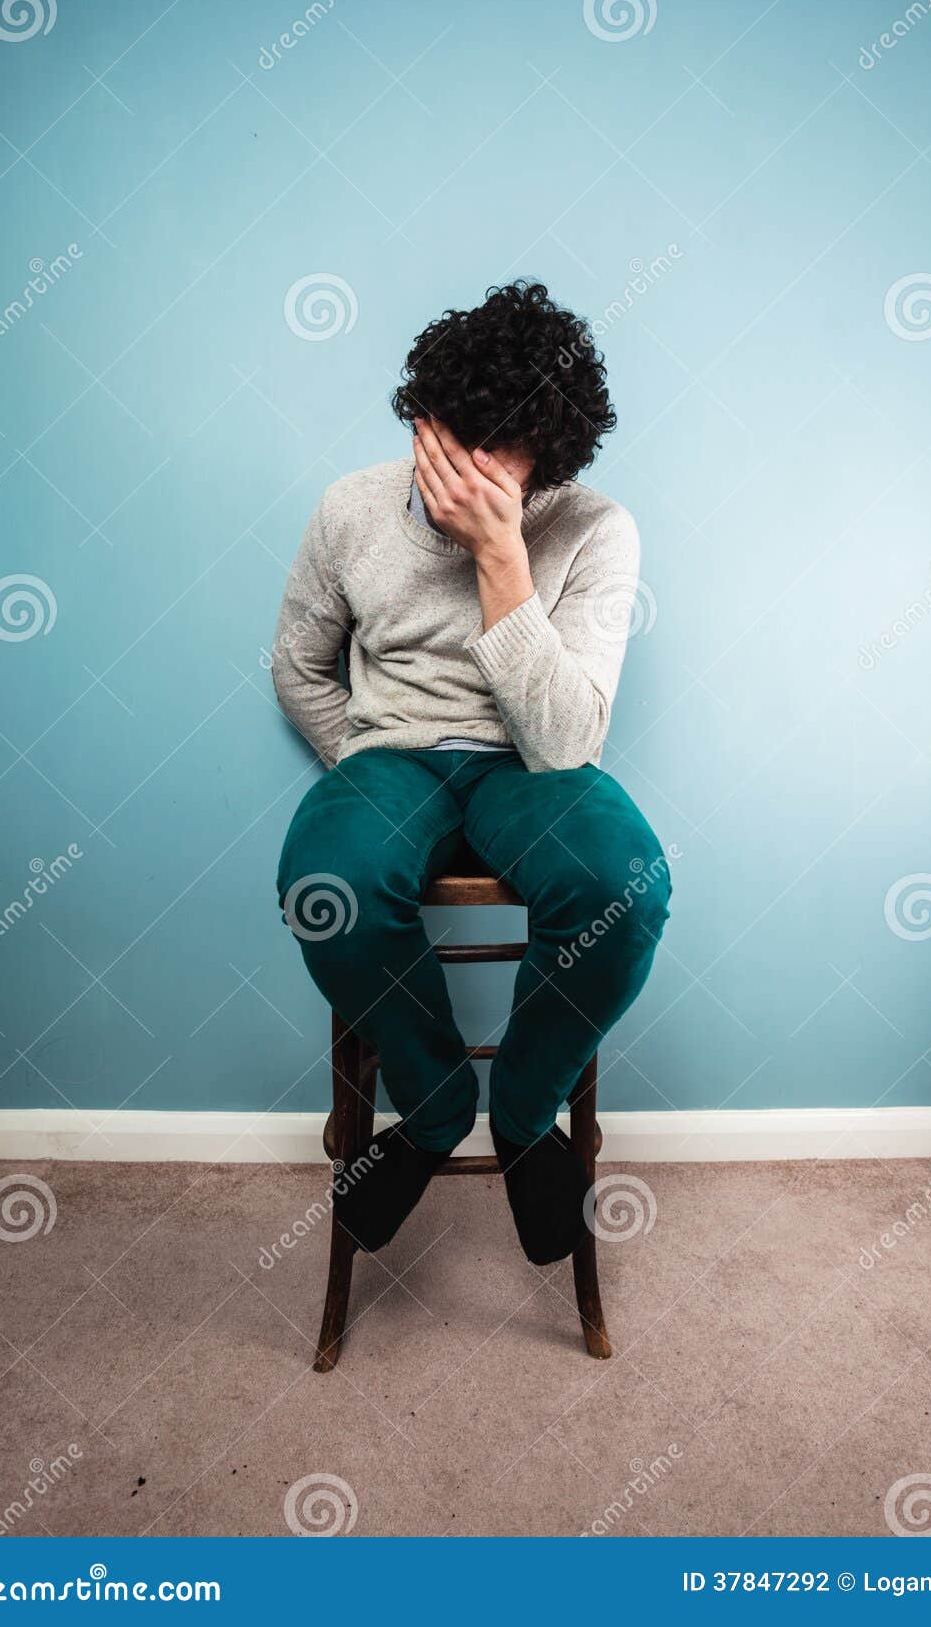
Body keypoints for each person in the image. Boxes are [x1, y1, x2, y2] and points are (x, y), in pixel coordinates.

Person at [272, 281, 671, 1266]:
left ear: (552, 460)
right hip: (392, 759)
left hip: (529, 766)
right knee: (329, 885)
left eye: (513, 468)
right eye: (465, 451)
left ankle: (526, 1118)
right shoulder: (348, 511)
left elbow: (566, 739)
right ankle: (438, 1102)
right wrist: (363, 762)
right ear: (424, 422)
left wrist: (501, 557)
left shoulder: (594, 528)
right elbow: (295, 661)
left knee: (624, 885)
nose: (484, 480)